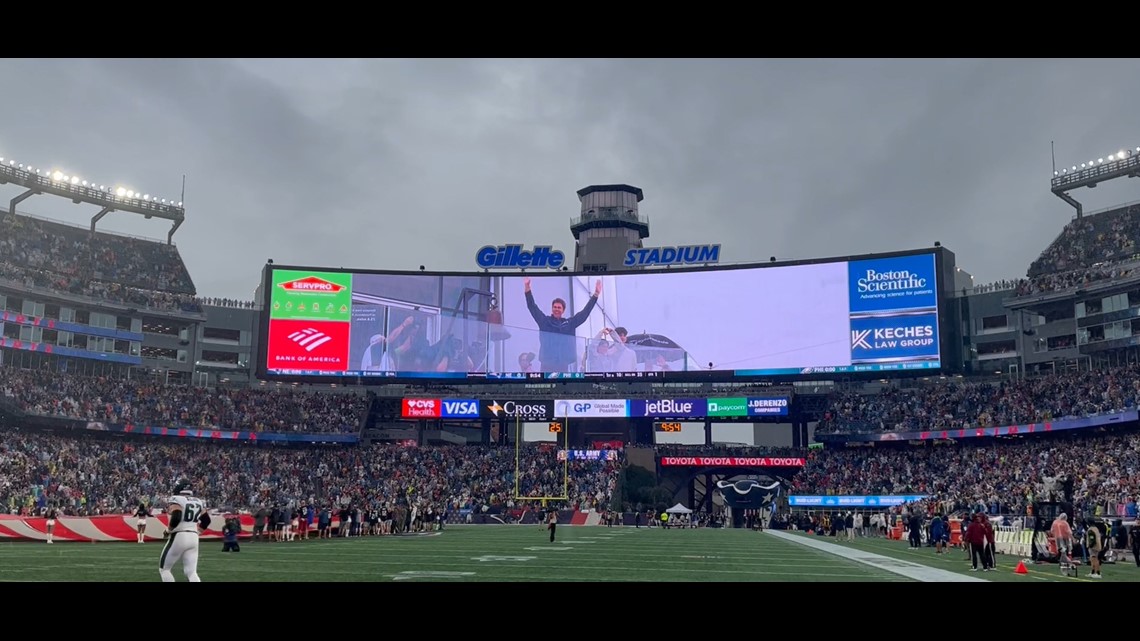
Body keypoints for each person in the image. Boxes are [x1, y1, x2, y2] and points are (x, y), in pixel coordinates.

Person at [523, 277, 601, 372]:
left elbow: (584, 314)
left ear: (563, 310)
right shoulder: (545, 321)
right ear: (552, 309)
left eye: (559, 307)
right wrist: (527, 289)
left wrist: (595, 295)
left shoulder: (569, 323)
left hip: (562, 363)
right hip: (547, 363)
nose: (556, 309)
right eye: (554, 307)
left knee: (562, 384)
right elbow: (532, 307)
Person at [159, 479, 210, 583]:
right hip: (194, 537)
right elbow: (206, 520)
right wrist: (197, 532)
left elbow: (177, 516)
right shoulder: (198, 501)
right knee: (191, 572)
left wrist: (168, 531)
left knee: (164, 569)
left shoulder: (176, 499)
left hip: (179, 535)